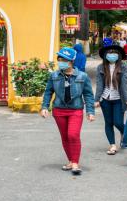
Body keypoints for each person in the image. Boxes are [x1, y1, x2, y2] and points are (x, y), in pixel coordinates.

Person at [41, 47, 96, 175]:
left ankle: (75, 163)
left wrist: (90, 111)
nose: (61, 62)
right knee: (65, 137)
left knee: (73, 135)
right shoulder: (54, 75)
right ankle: (71, 161)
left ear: (71, 61)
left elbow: (88, 95)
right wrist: (44, 107)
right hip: (59, 110)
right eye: (59, 59)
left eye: (64, 60)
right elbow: (48, 92)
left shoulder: (82, 76)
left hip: (75, 110)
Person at [95, 42, 127, 155]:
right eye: (109, 53)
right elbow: (99, 84)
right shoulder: (101, 67)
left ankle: (124, 132)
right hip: (105, 98)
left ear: (119, 55)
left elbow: (124, 85)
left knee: (118, 122)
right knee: (108, 122)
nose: (112, 55)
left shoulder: (124, 66)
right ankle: (112, 145)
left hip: (118, 99)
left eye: (115, 53)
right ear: (105, 55)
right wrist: (97, 99)